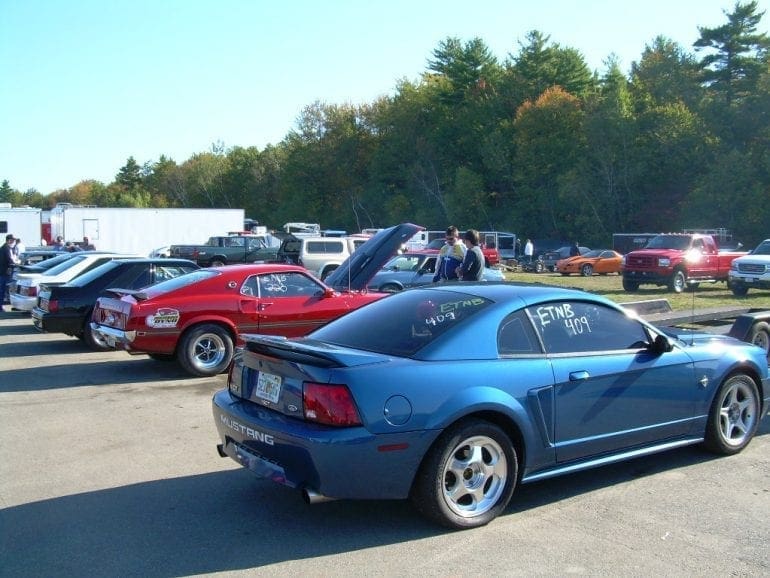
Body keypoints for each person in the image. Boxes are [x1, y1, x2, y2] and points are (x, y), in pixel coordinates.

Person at [1, 234, 19, 310]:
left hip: (4, 272)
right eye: (13, 240)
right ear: (9, 240)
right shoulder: (6, 248)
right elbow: (9, 260)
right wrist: (16, 264)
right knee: (2, 290)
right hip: (4, 272)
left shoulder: (5, 247)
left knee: (3, 290)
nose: (14, 241)